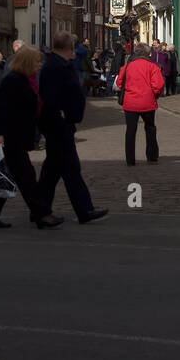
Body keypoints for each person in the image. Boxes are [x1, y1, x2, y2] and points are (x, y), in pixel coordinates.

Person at [0, 47, 63, 231]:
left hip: (18, 135)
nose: (40, 65)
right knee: (26, 178)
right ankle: (41, 214)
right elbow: (3, 110)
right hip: (11, 136)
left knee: (8, 176)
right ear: (27, 62)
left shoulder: (27, 80)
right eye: (37, 62)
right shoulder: (12, 81)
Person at [38, 32, 108, 224]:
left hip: (63, 124)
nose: (75, 53)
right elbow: (50, 96)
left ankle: (40, 210)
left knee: (52, 171)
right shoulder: (53, 66)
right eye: (73, 49)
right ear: (67, 49)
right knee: (70, 169)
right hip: (58, 126)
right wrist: (61, 115)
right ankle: (84, 210)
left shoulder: (60, 65)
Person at [116, 40, 165, 165]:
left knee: (131, 130)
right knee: (150, 128)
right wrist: (154, 95)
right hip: (147, 102)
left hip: (130, 102)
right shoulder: (152, 67)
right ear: (148, 54)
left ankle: (130, 159)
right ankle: (152, 155)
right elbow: (158, 85)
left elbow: (119, 82)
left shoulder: (127, 66)